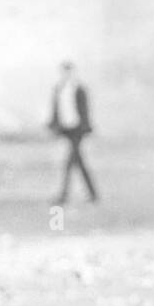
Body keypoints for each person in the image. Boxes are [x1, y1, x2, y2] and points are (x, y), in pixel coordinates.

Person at [48, 61, 97, 204]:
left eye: (68, 71)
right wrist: (54, 125)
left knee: (70, 162)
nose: (66, 74)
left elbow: (85, 110)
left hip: (77, 129)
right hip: (67, 129)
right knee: (79, 162)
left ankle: (63, 195)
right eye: (64, 71)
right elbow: (56, 109)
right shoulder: (59, 88)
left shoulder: (79, 89)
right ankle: (93, 194)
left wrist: (86, 127)